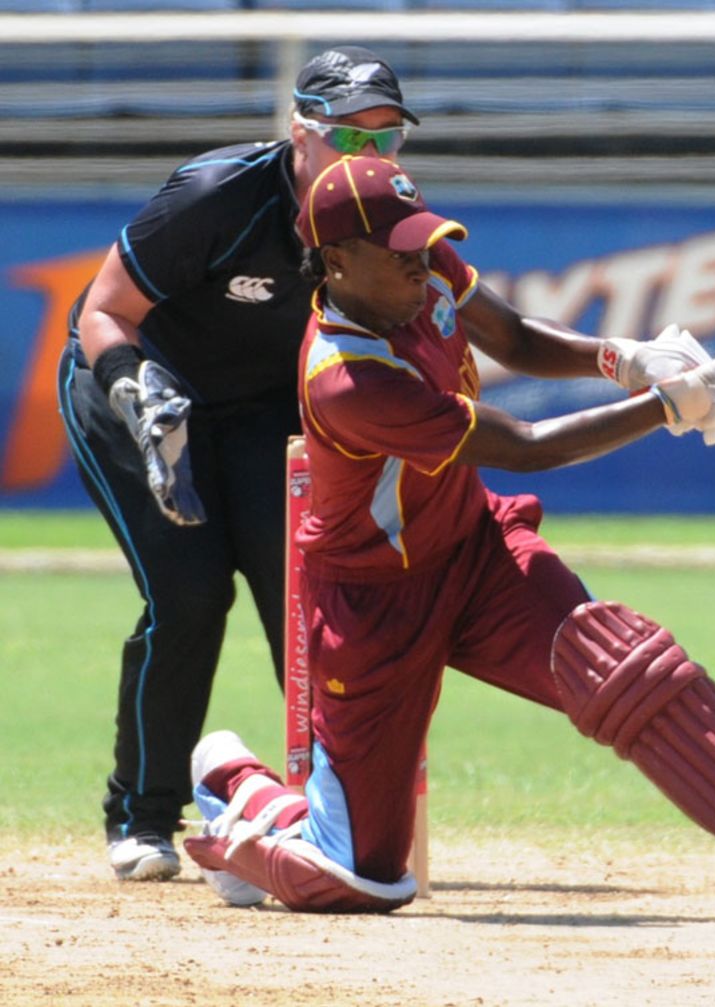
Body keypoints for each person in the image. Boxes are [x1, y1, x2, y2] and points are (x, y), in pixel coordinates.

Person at [182, 154, 715, 921]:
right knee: (364, 879)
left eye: (425, 241)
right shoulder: (347, 378)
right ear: (337, 259)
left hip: (474, 549)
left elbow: (510, 337)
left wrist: (628, 359)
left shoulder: (423, 266)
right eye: (399, 250)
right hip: (371, 603)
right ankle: (242, 798)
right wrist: (672, 406)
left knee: (618, 666)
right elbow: (527, 444)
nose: (421, 261)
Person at [56, 46, 426, 882]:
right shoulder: (217, 194)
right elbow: (106, 312)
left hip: (266, 410)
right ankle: (143, 816)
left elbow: (461, 326)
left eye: (388, 141)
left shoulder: (391, 216)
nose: (370, 162)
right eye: (350, 140)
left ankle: (321, 813)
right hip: (137, 386)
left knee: (303, 595)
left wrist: (625, 367)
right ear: (300, 134)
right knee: (189, 592)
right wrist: (133, 391)